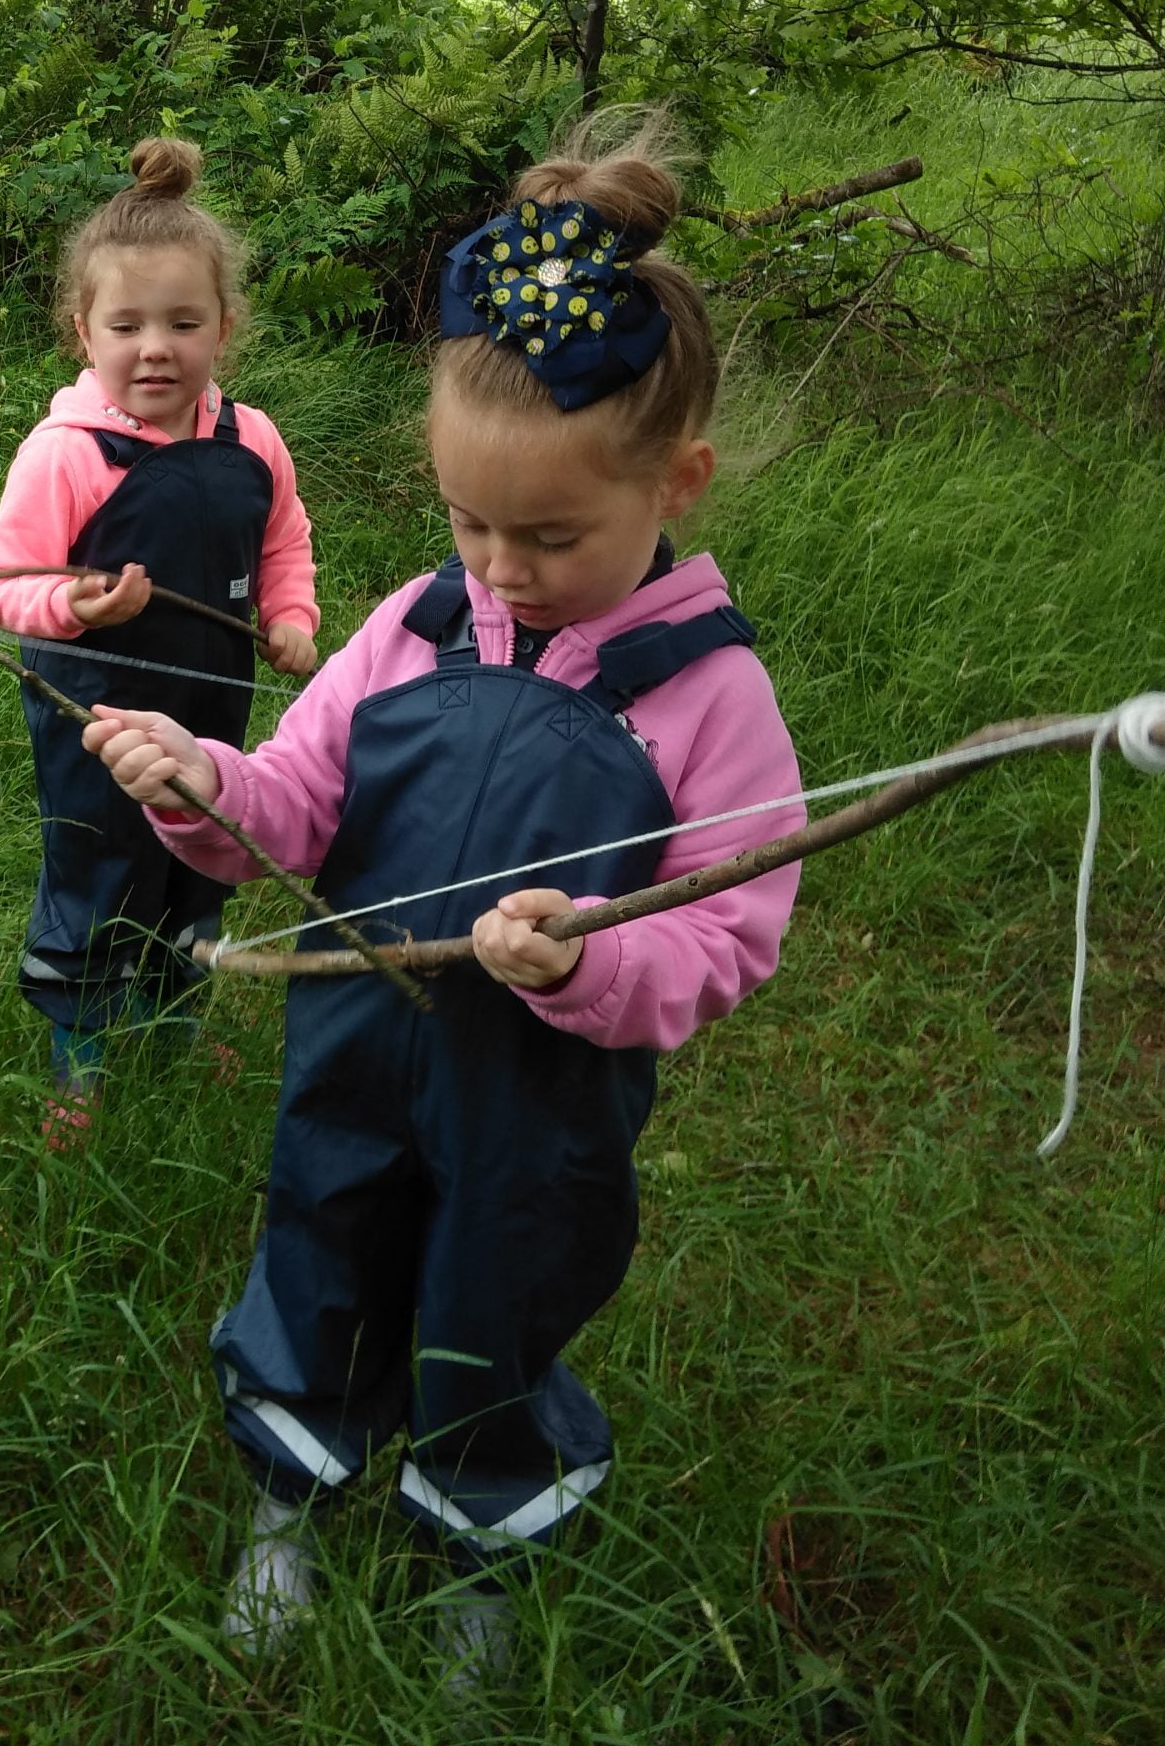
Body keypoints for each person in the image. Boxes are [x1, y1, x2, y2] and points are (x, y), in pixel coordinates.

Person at [83, 121, 804, 1676]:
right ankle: (291, 1497)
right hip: (351, 1054)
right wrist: (210, 785)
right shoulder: (417, 624)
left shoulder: (704, 691)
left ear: (678, 481)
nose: (504, 568)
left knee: (497, 1296)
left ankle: (478, 1529)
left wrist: (583, 966)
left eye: (551, 536)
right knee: (320, 1252)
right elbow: (299, 798)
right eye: (472, 523)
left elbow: (734, 926)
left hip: (535, 1097)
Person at [0, 137, 321, 1150]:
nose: (155, 347)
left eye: (183, 322)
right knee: (101, 867)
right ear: (83, 332)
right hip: (95, 720)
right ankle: (78, 1049)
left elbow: (283, 541)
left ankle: (177, 1012)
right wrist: (72, 609)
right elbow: (3, 586)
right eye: (126, 325)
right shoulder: (66, 456)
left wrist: (288, 618)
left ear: (225, 327)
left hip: (211, 707)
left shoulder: (251, 439)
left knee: (202, 858)